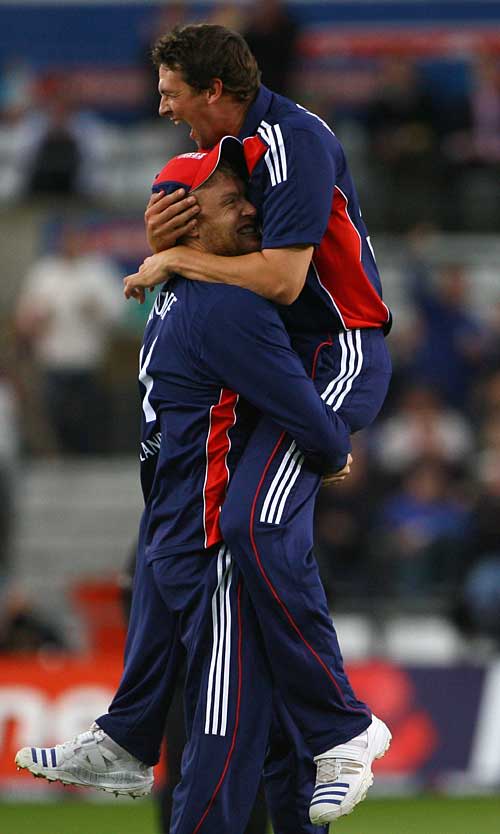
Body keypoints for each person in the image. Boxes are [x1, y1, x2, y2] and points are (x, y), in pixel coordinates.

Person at [16, 140, 365, 834]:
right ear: (185, 219)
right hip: (210, 543)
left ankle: (128, 741)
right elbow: (309, 419)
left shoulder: (169, 299)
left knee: (238, 740)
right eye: (230, 201)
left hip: (189, 531)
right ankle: (136, 742)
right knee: (231, 740)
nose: (250, 210)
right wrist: (331, 449)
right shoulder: (222, 305)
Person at [123, 23, 392, 826]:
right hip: (292, 364)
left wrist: (175, 259)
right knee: (236, 552)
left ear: (214, 90)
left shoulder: (294, 141)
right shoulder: (234, 150)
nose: (164, 107)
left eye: (172, 92)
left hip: (338, 349)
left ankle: (344, 729)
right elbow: (205, 220)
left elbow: (280, 278)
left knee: (253, 523)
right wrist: (166, 235)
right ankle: (293, 750)